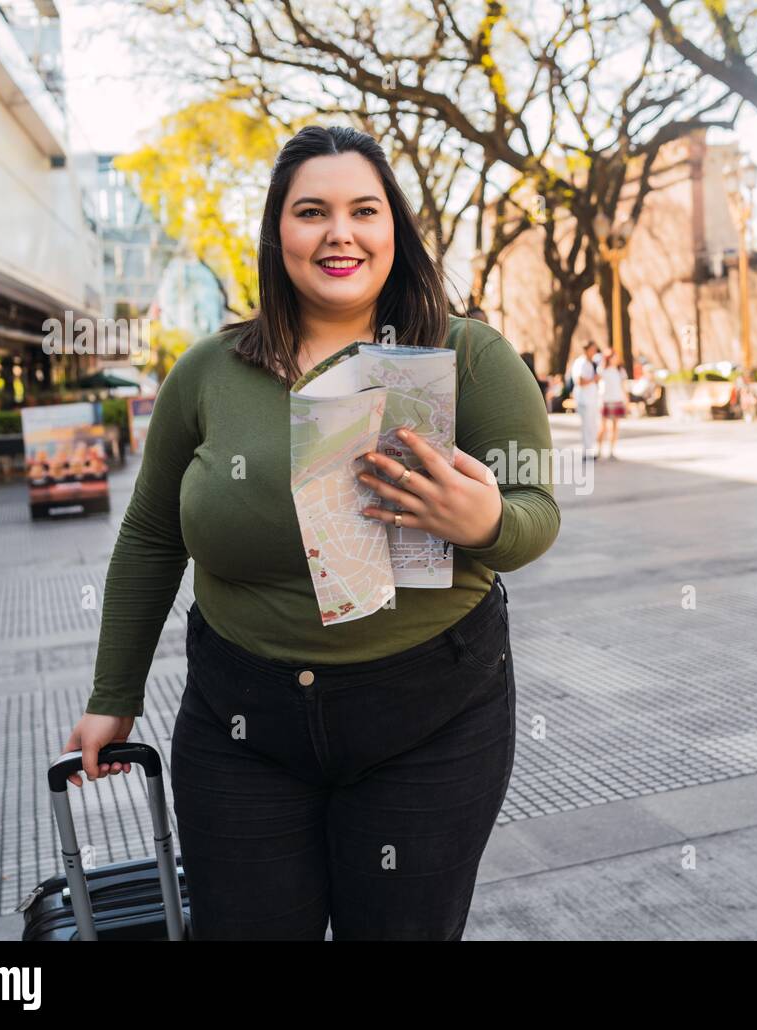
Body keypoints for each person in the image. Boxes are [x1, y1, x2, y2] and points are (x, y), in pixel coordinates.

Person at [62, 124, 560, 941]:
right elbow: (152, 534)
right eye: (311, 212)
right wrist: (112, 697)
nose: (340, 232)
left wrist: (490, 521)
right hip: (240, 727)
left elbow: (538, 508)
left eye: (365, 210)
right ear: (276, 232)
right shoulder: (208, 372)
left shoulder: (468, 355)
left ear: (393, 228)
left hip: (430, 721)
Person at [570, 340, 601, 461]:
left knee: (592, 426)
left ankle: (590, 450)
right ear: (587, 349)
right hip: (584, 399)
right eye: (592, 349)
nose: (594, 352)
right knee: (586, 426)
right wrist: (594, 379)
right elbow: (579, 381)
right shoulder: (580, 363)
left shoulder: (591, 363)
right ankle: (586, 452)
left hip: (592, 399)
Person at [597, 349, 629, 460]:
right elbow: (598, 385)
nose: (615, 359)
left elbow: (624, 387)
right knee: (603, 427)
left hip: (617, 400)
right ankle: (599, 450)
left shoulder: (620, 371)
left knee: (614, 427)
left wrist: (626, 402)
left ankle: (611, 451)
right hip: (605, 401)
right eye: (613, 357)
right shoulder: (602, 370)